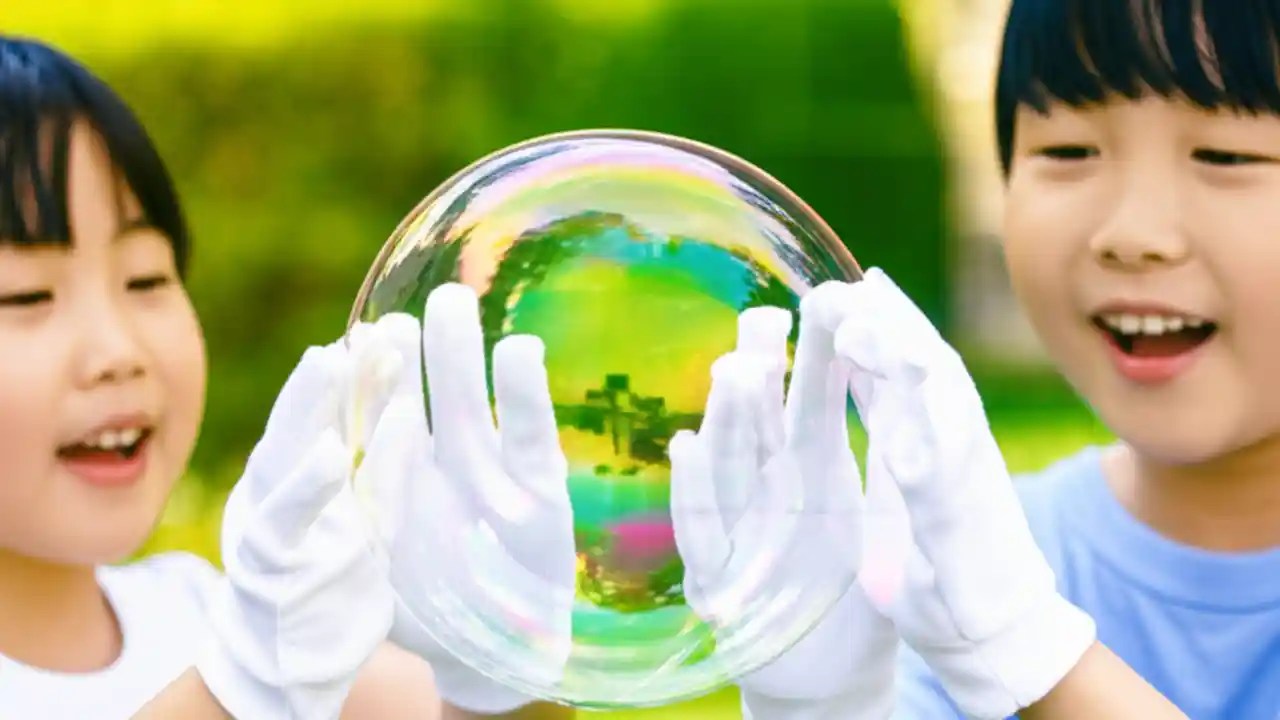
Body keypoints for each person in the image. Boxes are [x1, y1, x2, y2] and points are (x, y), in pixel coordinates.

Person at [669, 0, 1280, 717]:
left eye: (1227, 156)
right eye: (1069, 151)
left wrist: (1038, 659)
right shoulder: (960, 560)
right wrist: (828, 708)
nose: (1131, 234)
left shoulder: (999, 602)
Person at [0, 34, 573, 719]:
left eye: (145, 277)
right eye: (25, 295)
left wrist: (499, 658)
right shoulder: (243, 649)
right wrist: (240, 689)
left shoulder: (198, 610)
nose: (117, 351)